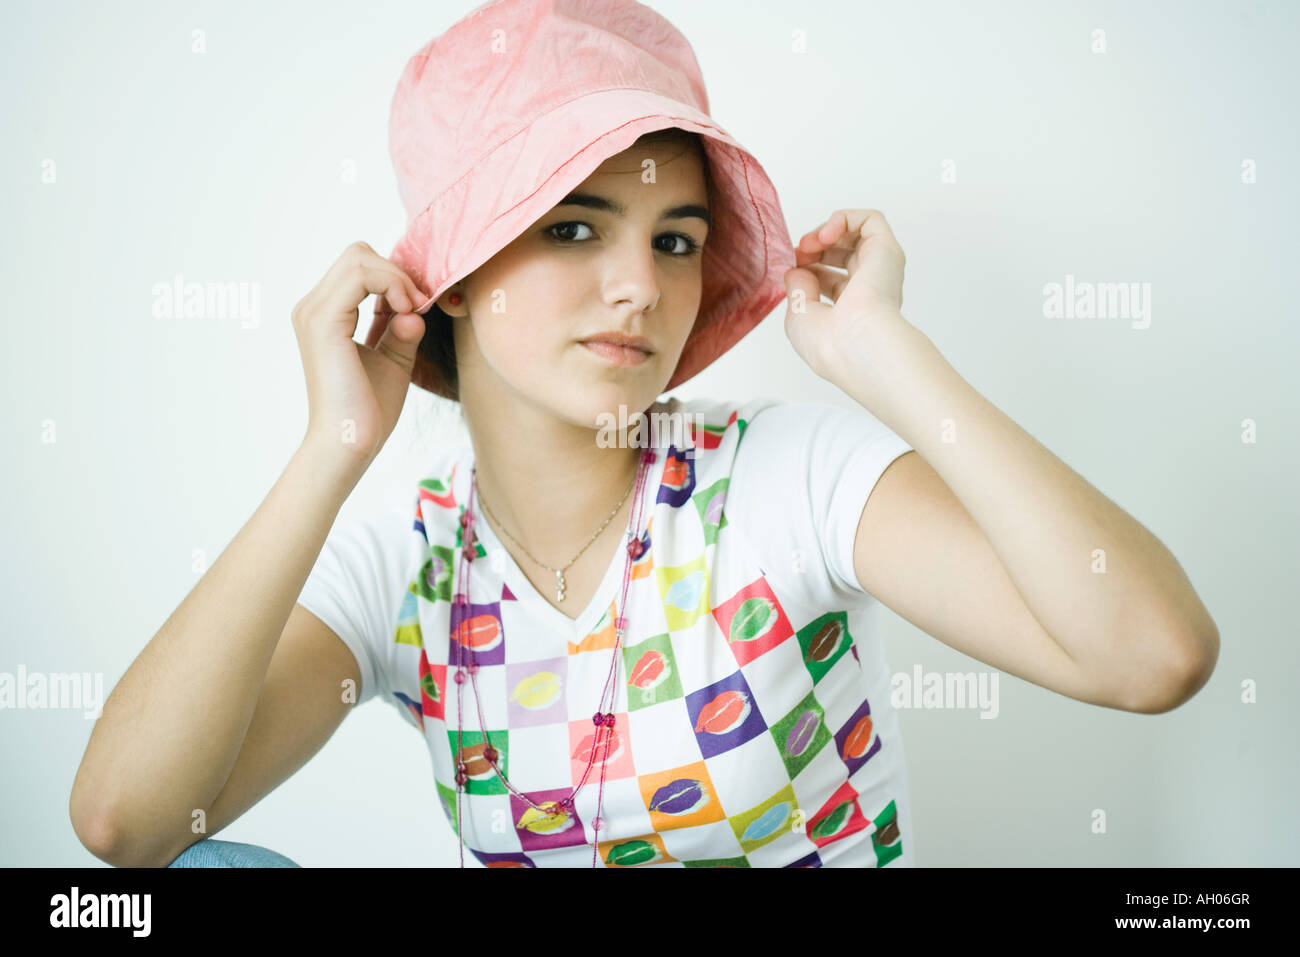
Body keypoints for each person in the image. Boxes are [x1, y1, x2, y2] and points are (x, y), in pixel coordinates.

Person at [72, 0, 1218, 869]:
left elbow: (1152, 657)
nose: (638, 286)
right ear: (455, 276)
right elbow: (129, 826)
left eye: (675, 241)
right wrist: (331, 447)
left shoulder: (783, 479)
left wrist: (884, 352)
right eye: (575, 227)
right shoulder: (408, 563)